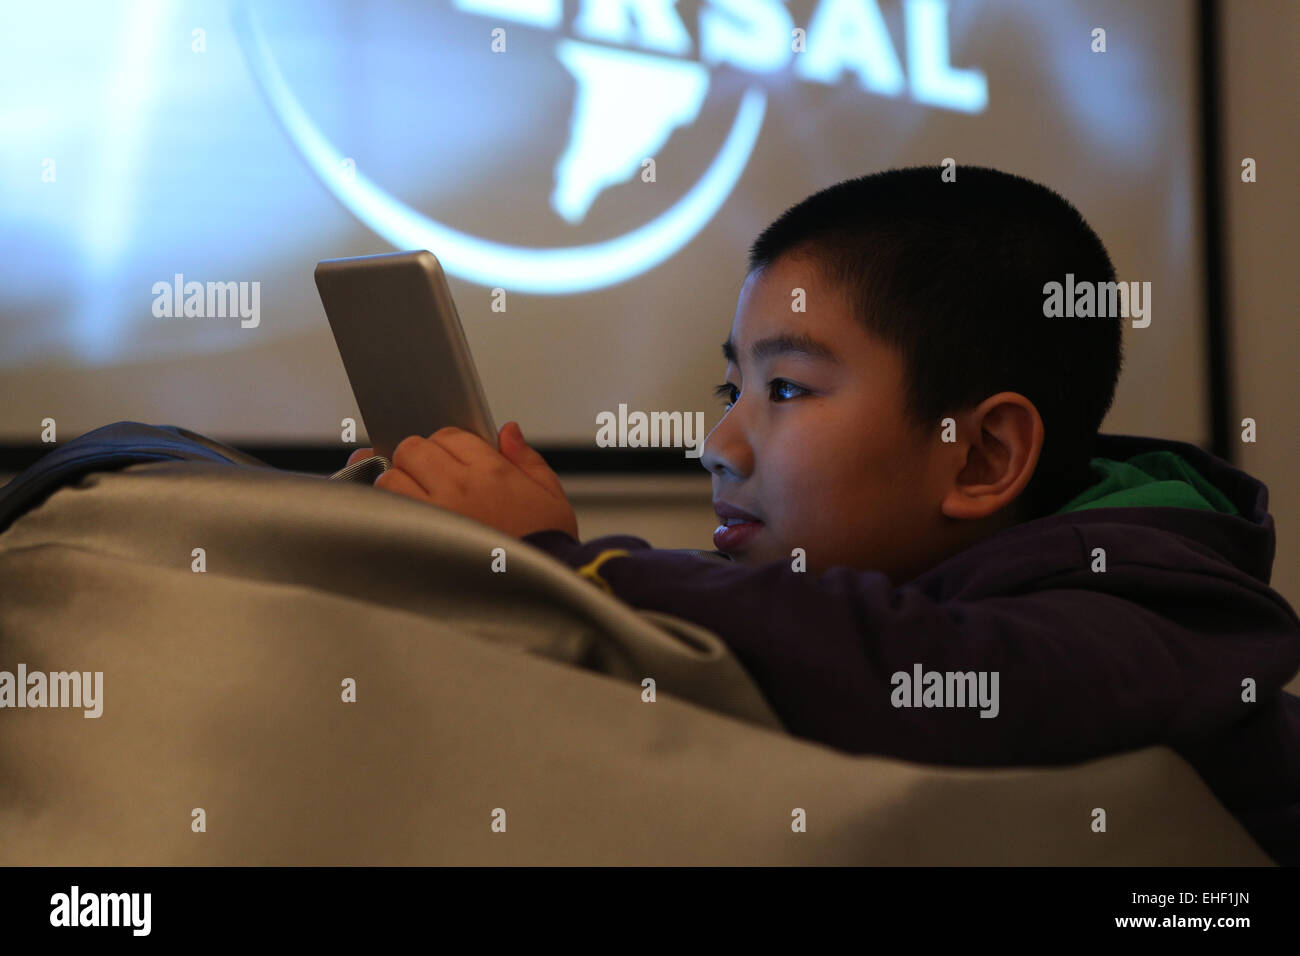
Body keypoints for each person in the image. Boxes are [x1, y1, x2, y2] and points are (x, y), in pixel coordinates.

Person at [346, 166, 1300, 864]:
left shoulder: (1158, 616)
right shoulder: (849, 595)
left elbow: (924, 674)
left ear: (982, 456)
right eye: (733, 385)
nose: (720, 443)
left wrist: (560, 563)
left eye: (789, 390)